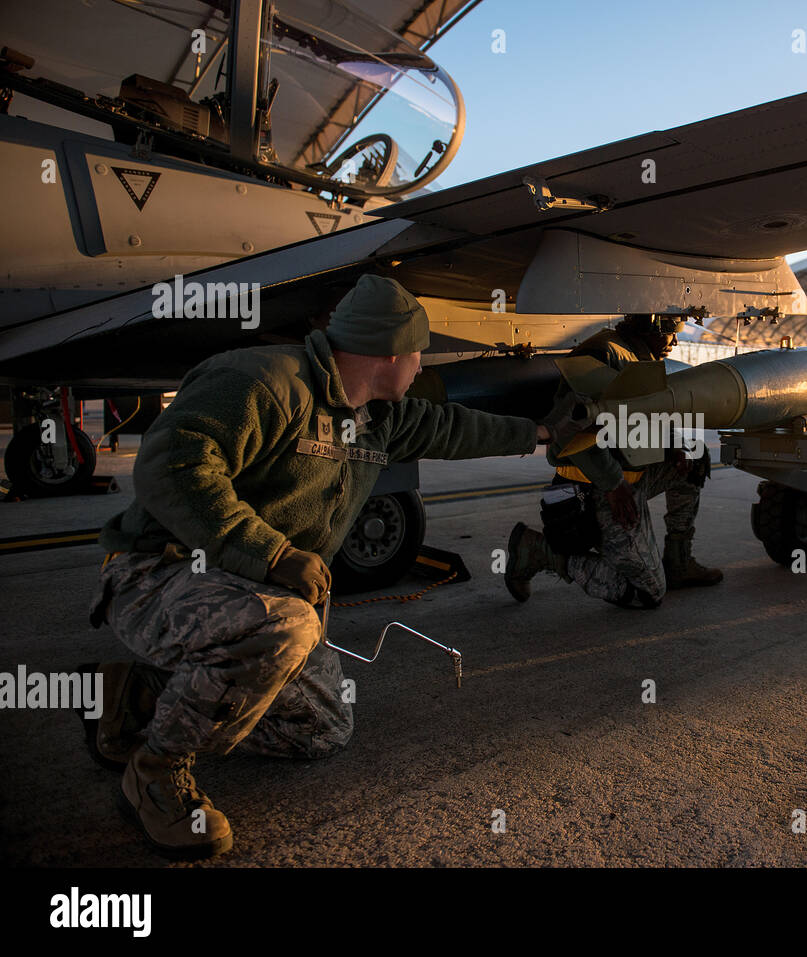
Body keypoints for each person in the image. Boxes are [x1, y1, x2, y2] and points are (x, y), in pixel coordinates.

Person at [83, 274, 555, 859]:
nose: (420, 367)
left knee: (320, 730)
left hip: (251, 589)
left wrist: (541, 433)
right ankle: (155, 773)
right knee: (285, 628)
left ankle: (134, 695)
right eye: (418, 353)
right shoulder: (264, 382)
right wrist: (273, 554)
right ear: (390, 353)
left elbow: (452, 427)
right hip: (158, 574)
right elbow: (170, 469)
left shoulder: (380, 415)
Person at [504, 314, 723, 609]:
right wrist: (613, 484)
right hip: (596, 489)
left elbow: (639, 412)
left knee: (695, 458)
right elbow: (570, 431)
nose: (675, 341)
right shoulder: (599, 354)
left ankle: (678, 562)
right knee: (647, 593)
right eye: (671, 332)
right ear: (649, 326)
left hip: (629, 477)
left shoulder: (636, 355)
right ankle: (539, 551)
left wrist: (672, 445)